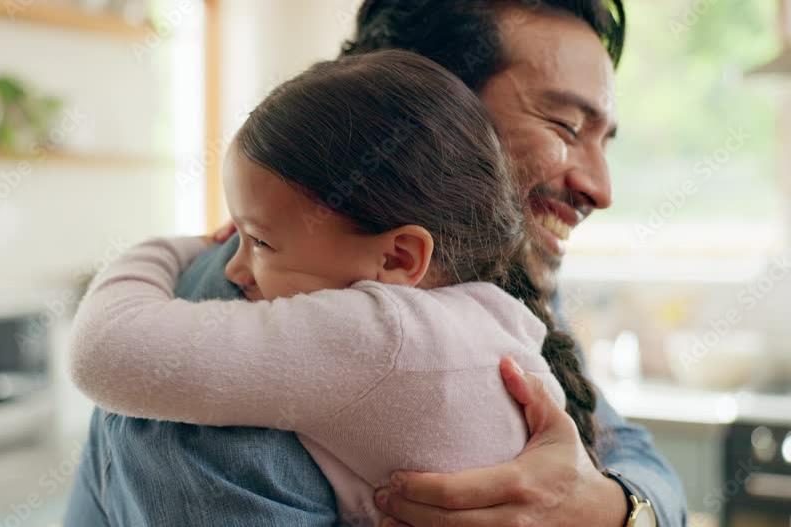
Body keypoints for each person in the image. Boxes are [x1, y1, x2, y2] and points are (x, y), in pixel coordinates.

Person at [65, 1, 689, 526]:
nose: (602, 188)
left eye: (604, 139)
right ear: (425, 108)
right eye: (565, 124)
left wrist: (609, 507)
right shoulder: (239, 330)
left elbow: (638, 457)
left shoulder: (480, 285)